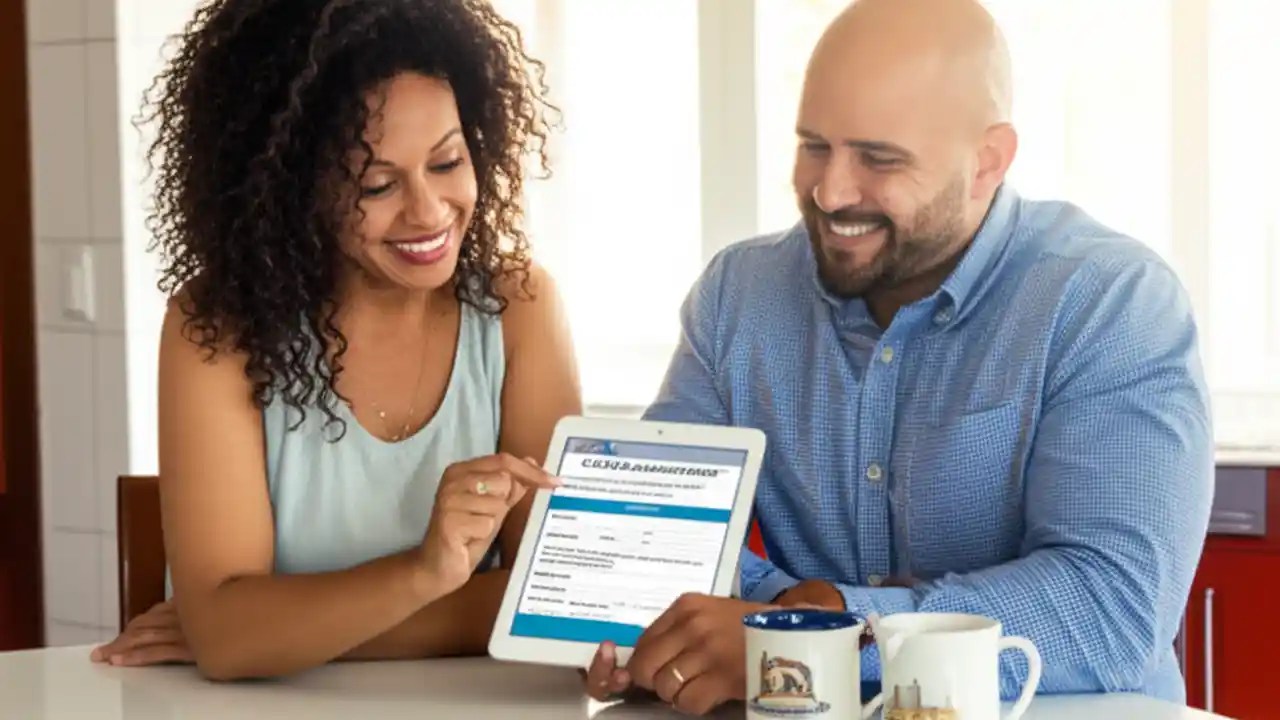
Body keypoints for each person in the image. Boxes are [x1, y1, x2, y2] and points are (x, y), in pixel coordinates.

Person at [586, 0, 1212, 714]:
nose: (830, 191)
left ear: (987, 162)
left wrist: (820, 635)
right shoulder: (739, 296)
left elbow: (1110, 611)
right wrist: (785, 623)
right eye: (814, 146)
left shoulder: (1109, 302)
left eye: (879, 159)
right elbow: (661, 543)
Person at [90, 0, 580, 679]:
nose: (429, 211)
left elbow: (557, 602)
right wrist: (426, 575)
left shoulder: (516, 306)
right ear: (293, 188)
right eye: (376, 184)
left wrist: (276, 631)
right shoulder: (220, 327)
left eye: (446, 162)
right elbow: (231, 643)